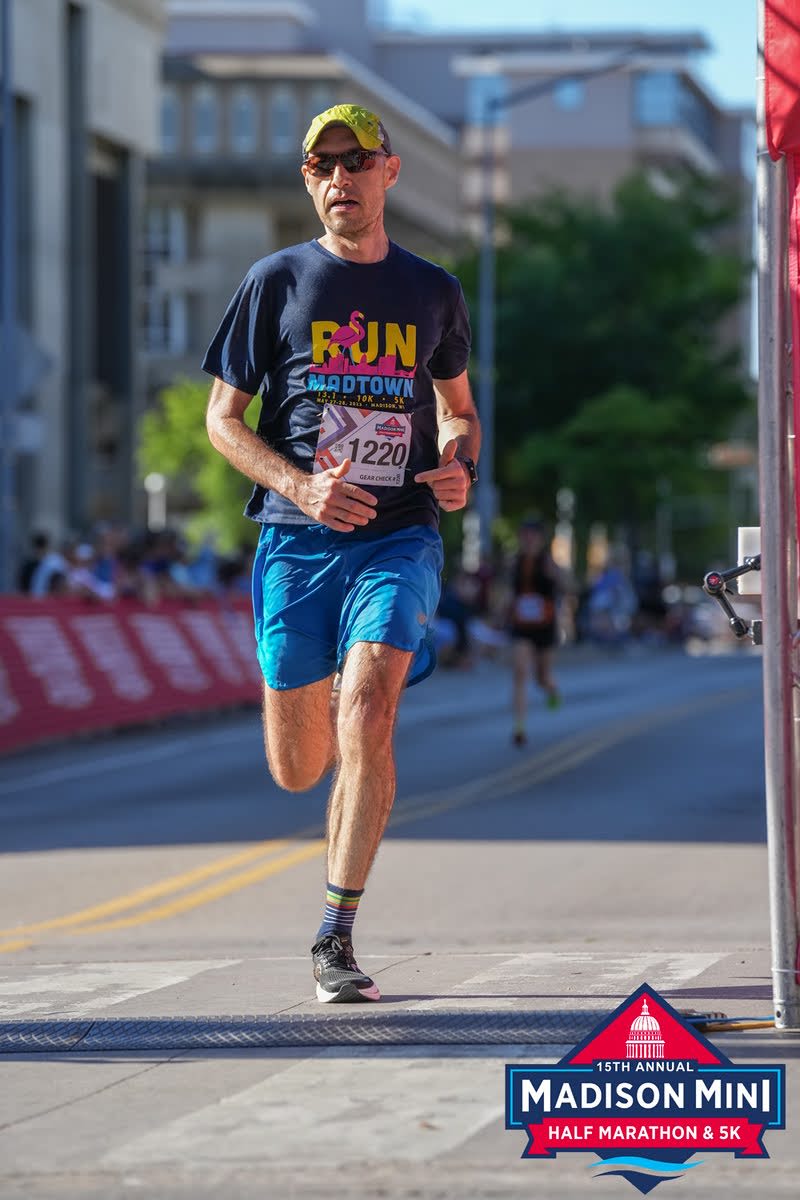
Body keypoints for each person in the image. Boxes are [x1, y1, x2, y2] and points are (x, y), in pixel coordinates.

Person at [203, 103, 480, 1003]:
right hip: (296, 544)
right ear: (308, 180)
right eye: (323, 165)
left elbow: (460, 411)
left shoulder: (432, 289)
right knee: (298, 769)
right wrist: (299, 486)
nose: (340, 179)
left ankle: (336, 931)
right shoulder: (275, 282)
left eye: (357, 162)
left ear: (389, 172)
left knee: (367, 709)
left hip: (398, 534)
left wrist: (457, 464)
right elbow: (222, 421)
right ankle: (322, 672)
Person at [508, 519, 561, 746]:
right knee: (520, 672)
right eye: (525, 535)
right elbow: (509, 593)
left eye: (533, 535)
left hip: (544, 626)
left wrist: (555, 575)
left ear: (540, 539)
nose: (528, 539)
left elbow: (567, 587)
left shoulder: (548, 562)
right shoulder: (515, 562)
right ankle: (519, 726)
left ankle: (552, 690)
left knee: (542, 678)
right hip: (522, 625)